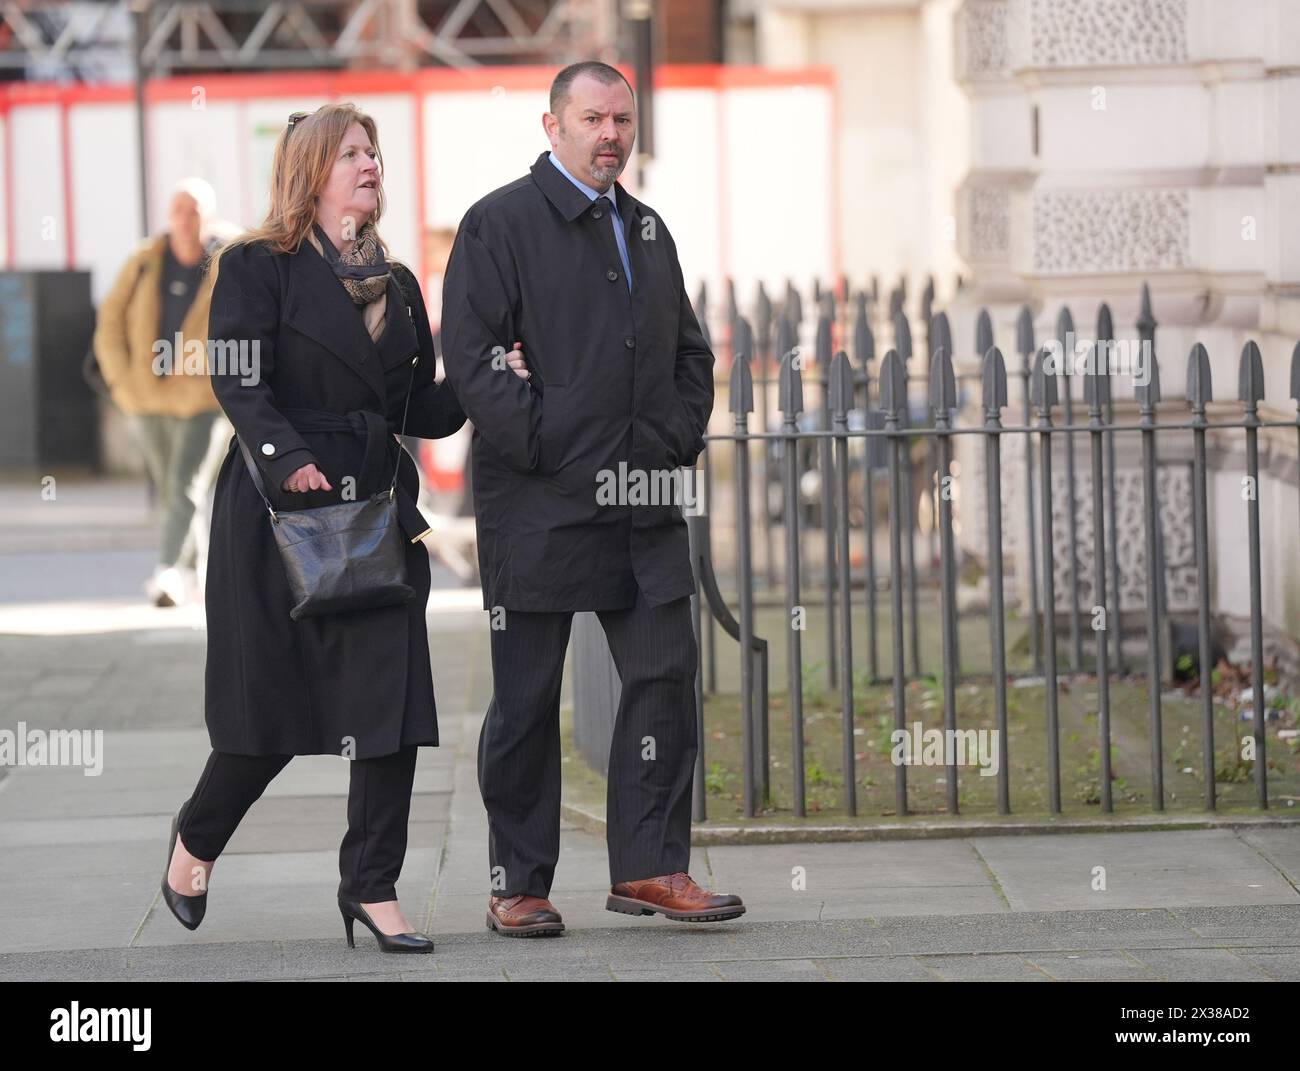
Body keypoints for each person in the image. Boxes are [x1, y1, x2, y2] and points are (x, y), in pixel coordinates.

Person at [160, 103, 482, 954]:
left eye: (372, 152)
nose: (369, 163)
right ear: (310, 171)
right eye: (349, 153)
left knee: (390, 709)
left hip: (372, 509)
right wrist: (285, 452)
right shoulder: (257, 265)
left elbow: (414, 406)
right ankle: (195, 840)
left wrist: (487, 379)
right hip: (277, 513)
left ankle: (372, 887)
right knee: (268, 711)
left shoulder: (401, 283)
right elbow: (238, 378)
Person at [441, 61, 745, 937]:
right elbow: (474, 358)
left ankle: (651, 866)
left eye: (622, 118)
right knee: (528, 700)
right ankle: (519, 882)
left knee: (664, 676)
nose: (610, 133)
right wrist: (544, 441)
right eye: (592, 118)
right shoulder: (497, 224)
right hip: (538, 503)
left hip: (643, 500)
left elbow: (690, 354)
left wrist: (673, 439)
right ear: (552, 125)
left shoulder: (647, 229)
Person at [93, 178, 235, 606]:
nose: (186, 219)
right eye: (179, 209)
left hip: (204, 400)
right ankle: (195, 574)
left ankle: (168, 570)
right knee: (174, 491)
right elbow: (110, 322)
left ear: (208, 218)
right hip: (146, 398)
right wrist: (122, 383)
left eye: (195, 210)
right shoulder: (145, 260)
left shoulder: (228, 261)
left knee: (186, 483)